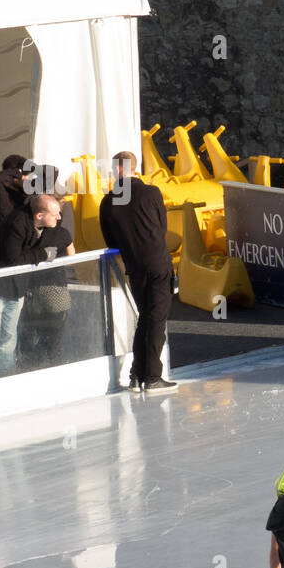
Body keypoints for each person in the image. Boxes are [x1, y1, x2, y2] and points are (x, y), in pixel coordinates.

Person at [99, 150, 177, 394]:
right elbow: (162, 228)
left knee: (145, 318)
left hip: (134, 266)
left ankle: (136, 375)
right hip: (158, 263)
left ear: (118, 170)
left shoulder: (107, 202)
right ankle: (152, 377)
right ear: (133, 168)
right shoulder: (151, 192)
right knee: (156, 320)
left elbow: (111, 241)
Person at [0, 193, 65, 379]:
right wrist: (42, 254)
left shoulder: (47, 226)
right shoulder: (16, 223)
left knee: (9, 336)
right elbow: (12, 260)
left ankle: (5, 374)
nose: (59, 217)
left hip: (17, 288)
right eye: (55, 213)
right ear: (39, 216)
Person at [21, 208, 76, 370]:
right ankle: (54, 368)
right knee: (54, 339)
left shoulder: (30, 234)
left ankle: (33, 368)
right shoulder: (63, 234)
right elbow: (70, 260)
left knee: (33, 335)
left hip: (32, 290)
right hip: (56, 291)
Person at [0, 154, 32, 226]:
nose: (26, 178)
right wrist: (18, 173)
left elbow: (53, 172)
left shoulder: (28, 192)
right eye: (24, 175)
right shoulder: (1, 194)